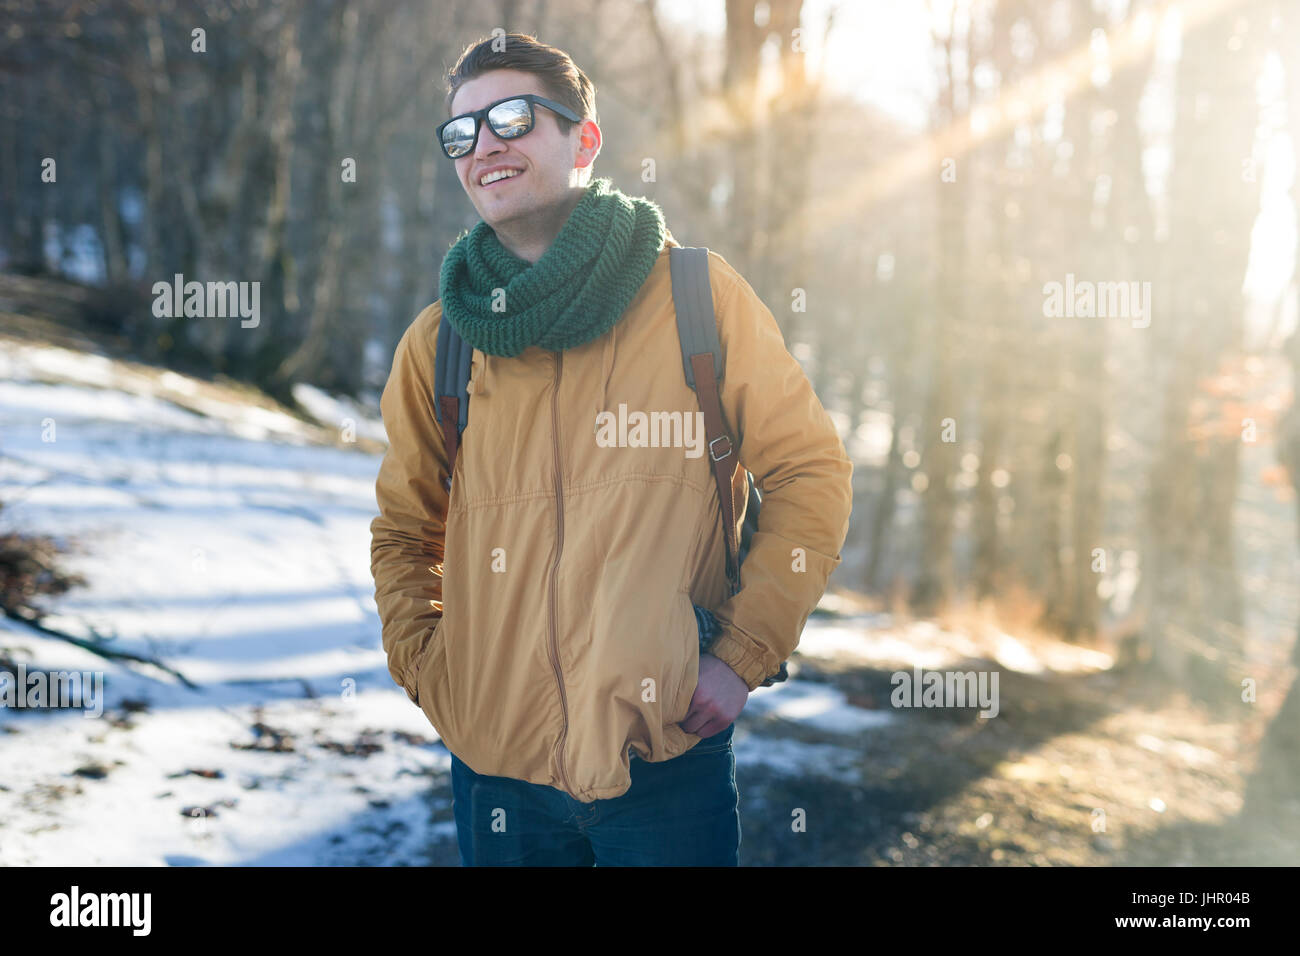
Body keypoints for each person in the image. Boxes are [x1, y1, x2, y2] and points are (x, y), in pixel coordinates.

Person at [369, 32, 854, 866]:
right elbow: (405, 534)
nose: (484, 144)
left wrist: (741, 655)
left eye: (512, 117)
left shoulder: (697, 298)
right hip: (497, 779)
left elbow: (810, 474)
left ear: (583, 139)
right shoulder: (441, 343)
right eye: (461, 132)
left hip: (665, 762)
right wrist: (435, 674)